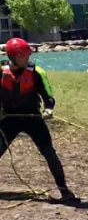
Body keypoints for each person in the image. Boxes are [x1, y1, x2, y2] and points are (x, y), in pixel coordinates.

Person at [0, 37, 79, 205]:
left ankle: (64, 190)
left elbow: (48, 96)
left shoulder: (36, 72)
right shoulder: (1, 71)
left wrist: (49, 108)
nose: (28, 58)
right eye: (24, 56)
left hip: (33, 119)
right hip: (9, 119)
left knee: (49, 153)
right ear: (13, 57)